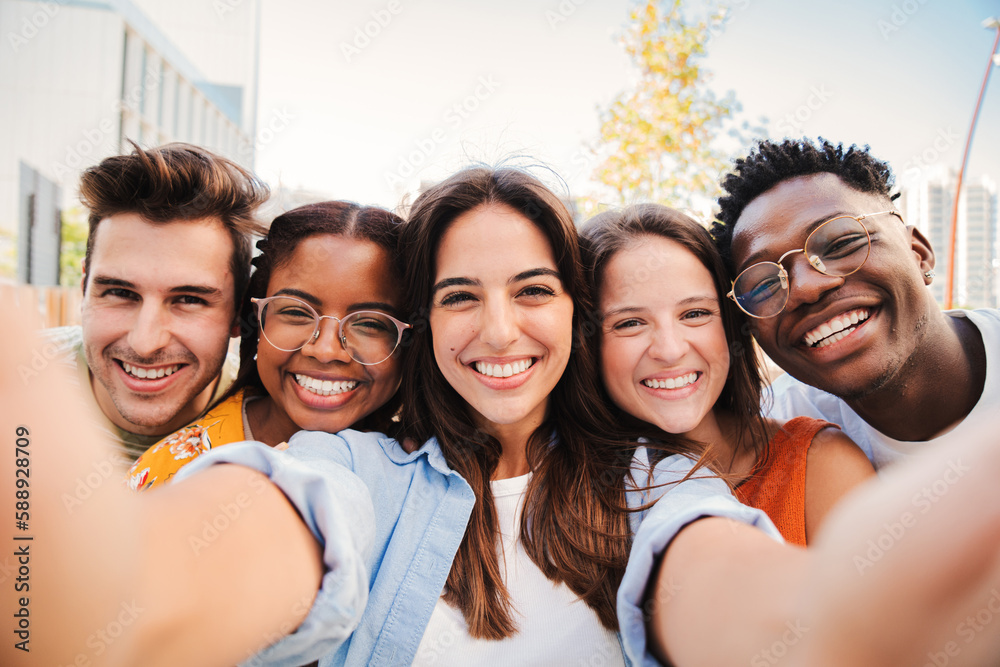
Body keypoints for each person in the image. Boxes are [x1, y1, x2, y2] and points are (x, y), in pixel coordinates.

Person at [10, 168, 1000, 667]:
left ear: (572, 311)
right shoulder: (347, 474)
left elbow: (753, 600)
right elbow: (154, 588)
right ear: (421, 322)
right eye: (455, 296)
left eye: (532, 290)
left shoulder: (657, 485)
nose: (497, 331)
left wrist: (836, 622)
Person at [581, 203, 875, 545]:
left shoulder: (819, 465)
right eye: (630, 323)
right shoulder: (561, 491)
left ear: (731, 326)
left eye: (695, 313)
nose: (671, 349)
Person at [711, 138, 1000, 469]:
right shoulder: (777, 441)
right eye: (763, 285)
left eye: (841, 243)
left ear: (918, 253)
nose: (806, 288)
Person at [128, 201, 409, 490]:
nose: (325, 351)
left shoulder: (430, 477)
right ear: (257, 320)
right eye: (297, 313)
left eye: (370, 324)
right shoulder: (170, 476)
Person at [46, 141, 268, 462]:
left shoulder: (268, 439)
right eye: (120, 293)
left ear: (238, 313)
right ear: (84, 290)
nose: (145, 343)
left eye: (189, 299)